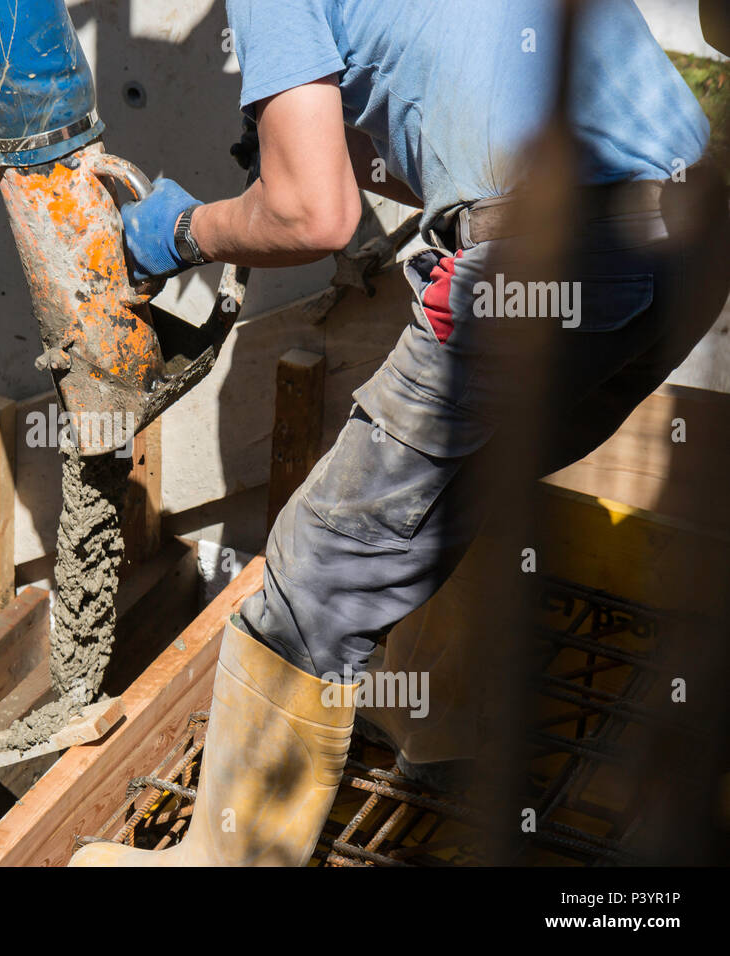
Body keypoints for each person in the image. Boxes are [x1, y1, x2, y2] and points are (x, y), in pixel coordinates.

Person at [70, 0, 729, 867]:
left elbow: (313, 218)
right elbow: (460, 137)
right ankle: (439, 724)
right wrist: (325, 155)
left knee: (318, 565)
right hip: (691, 243)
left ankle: (225, 861)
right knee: (458, 487)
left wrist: (181, 230)